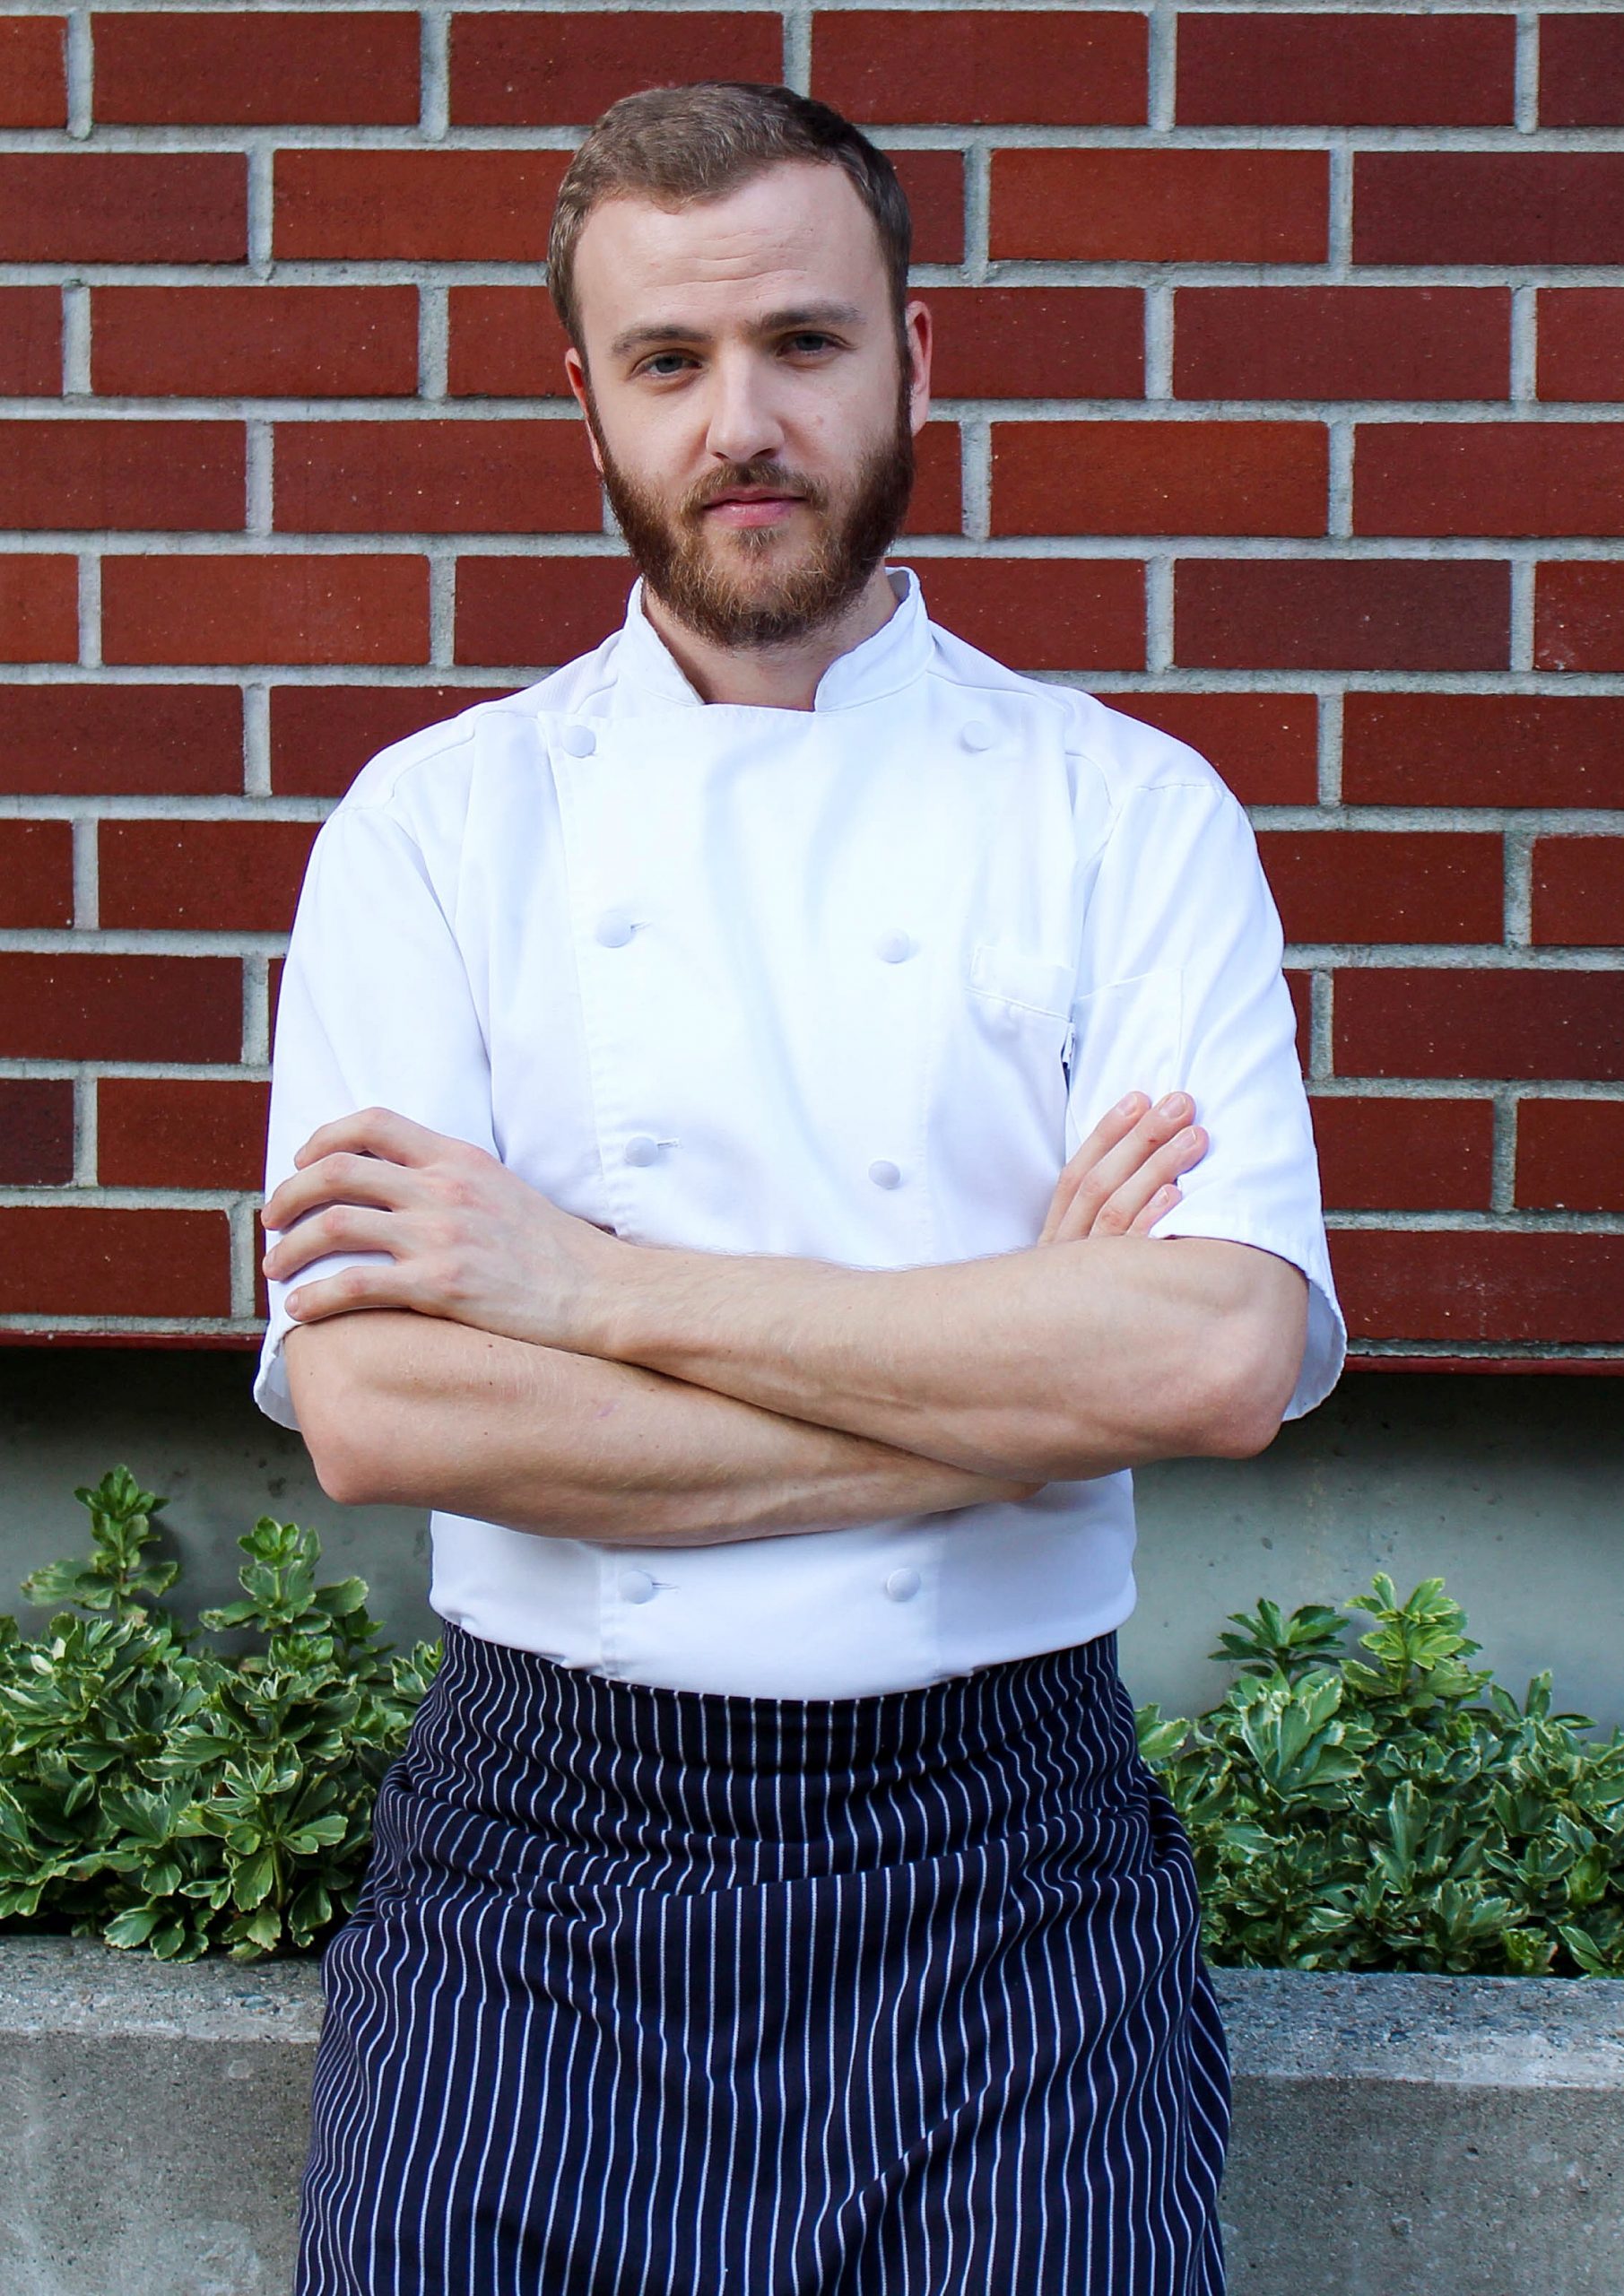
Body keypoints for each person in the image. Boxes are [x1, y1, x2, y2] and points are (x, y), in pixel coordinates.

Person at [252, 79, 1344, 2296]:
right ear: (586, 400)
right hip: (535, 1866)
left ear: (914, 357)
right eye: (669, 363)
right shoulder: (434, 830)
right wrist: (1011, 1374)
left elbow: (1215, 1351)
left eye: (804, 346)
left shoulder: (1123, 814)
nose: (739, 421)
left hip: (1007, 1864)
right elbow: (385, 1415)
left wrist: (575, 1288)